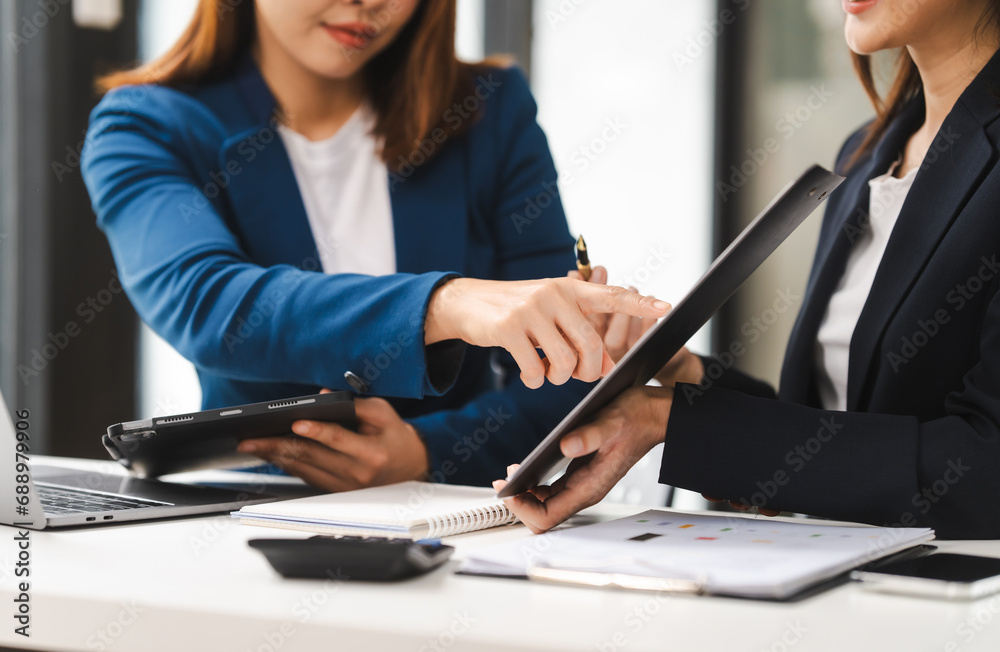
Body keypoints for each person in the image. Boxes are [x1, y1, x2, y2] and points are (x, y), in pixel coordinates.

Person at [81, 0, 668, 491]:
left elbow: (567, 376)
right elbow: (209, 303)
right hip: (251, 522)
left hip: (460, 526)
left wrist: (427, 452)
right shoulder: (146, 125)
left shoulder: (490, 110)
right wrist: (445, 304)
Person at [497, 0, 1000, 540]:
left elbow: (985, 467)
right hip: (832, 585)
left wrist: (670, 420)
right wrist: (681, 371)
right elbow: (827, 431)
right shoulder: (868, 154)